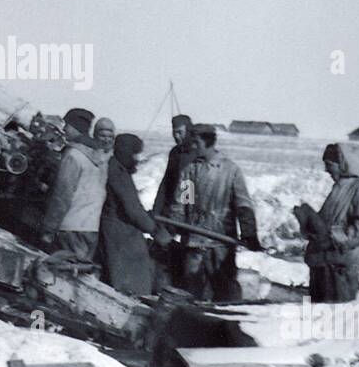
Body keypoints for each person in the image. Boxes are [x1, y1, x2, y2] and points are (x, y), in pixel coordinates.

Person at [167, 124, 262, 301]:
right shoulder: (190, 170)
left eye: (196, 143)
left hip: (221, 245)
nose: (193, 147)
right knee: (191, 294)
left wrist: (250, 234)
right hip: (194, 243)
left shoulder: (230, 170)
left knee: (224, 292)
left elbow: (243, 205)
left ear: (208, 142)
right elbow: (184, 202)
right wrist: (175, 225)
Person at [293, 142, 359, 303]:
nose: (326, 170)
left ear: (343, 165)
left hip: (339, 268)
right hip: (324, 264)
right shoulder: (339, 188)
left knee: (339, 316)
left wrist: (338, 238)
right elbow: (331, 221)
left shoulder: (358, 189)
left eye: (329, 165)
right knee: (320, 315)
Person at [97, 133, 172, 295]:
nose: (138, 159)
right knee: (132, 276)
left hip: (120, 229)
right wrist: (155, 230)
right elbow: (132, 208)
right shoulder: (118, 173)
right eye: (135, 154)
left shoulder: (116, 168)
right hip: (121, 233)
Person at [40, 107, 109, 262]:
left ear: (75, 127)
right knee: (80, 274)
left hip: (69, 228)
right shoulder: (101, 157)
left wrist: (49, 229)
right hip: (90, 227)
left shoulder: (73, 155)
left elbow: (62, 196)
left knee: (62, 276)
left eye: (67, 125)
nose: (64, 129)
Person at [151, 114, 195, 217]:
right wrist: (156, 210)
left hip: (188, 209)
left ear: (188, 132)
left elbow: (189, 187)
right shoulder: (175, 152)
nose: (176, 136)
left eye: (180, 132)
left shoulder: (196, 153)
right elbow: (167, 182)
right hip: (172, 206)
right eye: (174, 133)